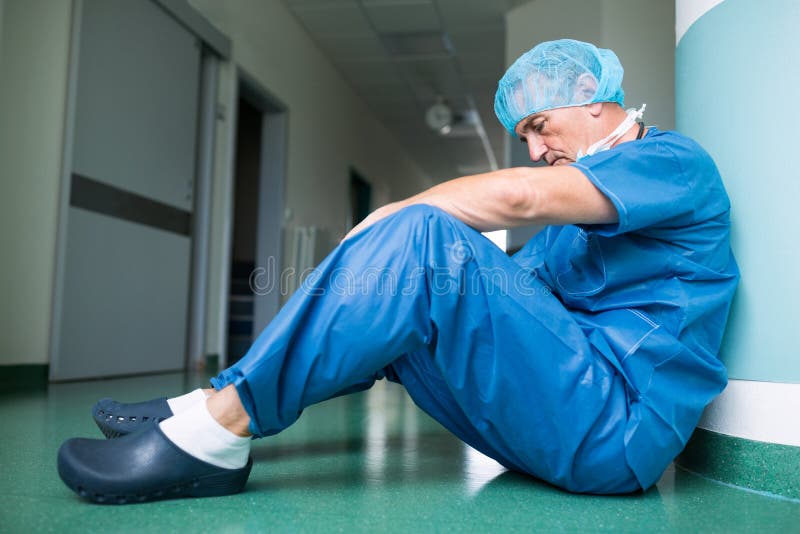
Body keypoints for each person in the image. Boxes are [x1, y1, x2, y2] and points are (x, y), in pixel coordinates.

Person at [57, 39, 739, 504]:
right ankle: (216, 404)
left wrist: (390, 219)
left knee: (421, 238)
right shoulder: (571, 233)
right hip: (561, 410)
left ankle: (216, 434)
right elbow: (501, 302)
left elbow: (518, 199)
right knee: (404, 299)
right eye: (524, 136)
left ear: (591, 94)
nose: (534, 150)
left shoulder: (672, 163)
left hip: (616, 429)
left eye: (539, 125)